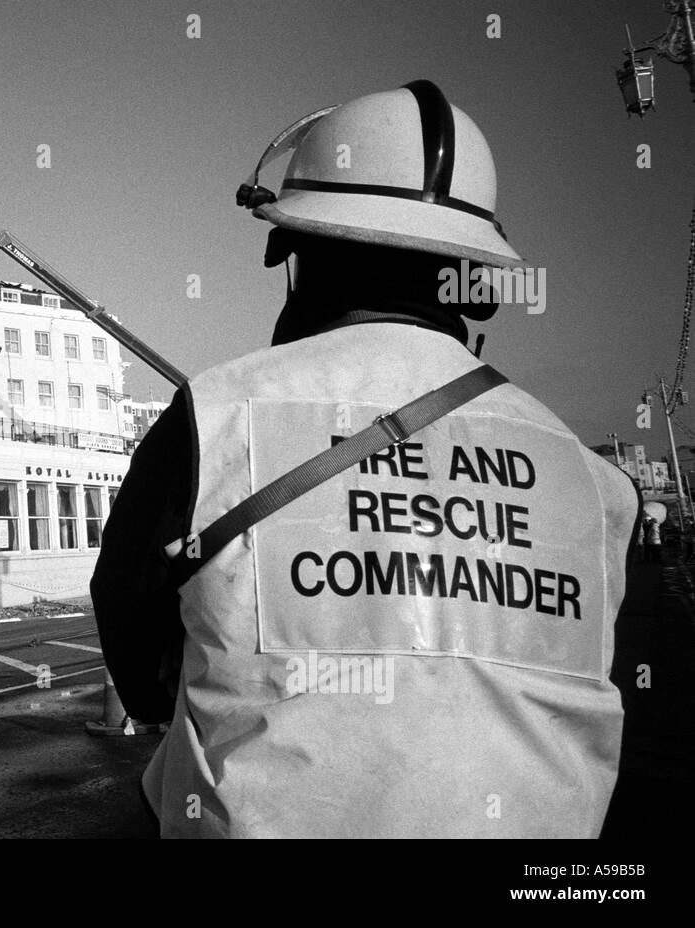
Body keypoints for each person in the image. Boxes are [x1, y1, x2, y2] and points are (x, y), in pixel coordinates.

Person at [92, 80, 639, 838]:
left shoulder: (213, 417)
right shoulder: (595, 482)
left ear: (299, 253)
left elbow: (138, 660)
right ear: (473, 283)